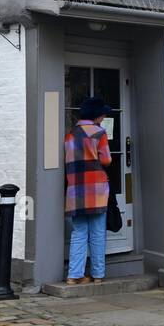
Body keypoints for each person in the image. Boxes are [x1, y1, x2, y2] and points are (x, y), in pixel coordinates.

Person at [64, 97, 114, 285]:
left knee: (78, 232)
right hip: (96, 188)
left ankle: (74, 274)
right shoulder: (99, 133)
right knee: (97, 232)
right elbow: (107, 160)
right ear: (96, 115)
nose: (103, 117)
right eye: (102, 114)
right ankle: (98, 274)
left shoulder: (70, 134)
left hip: (75, 188)